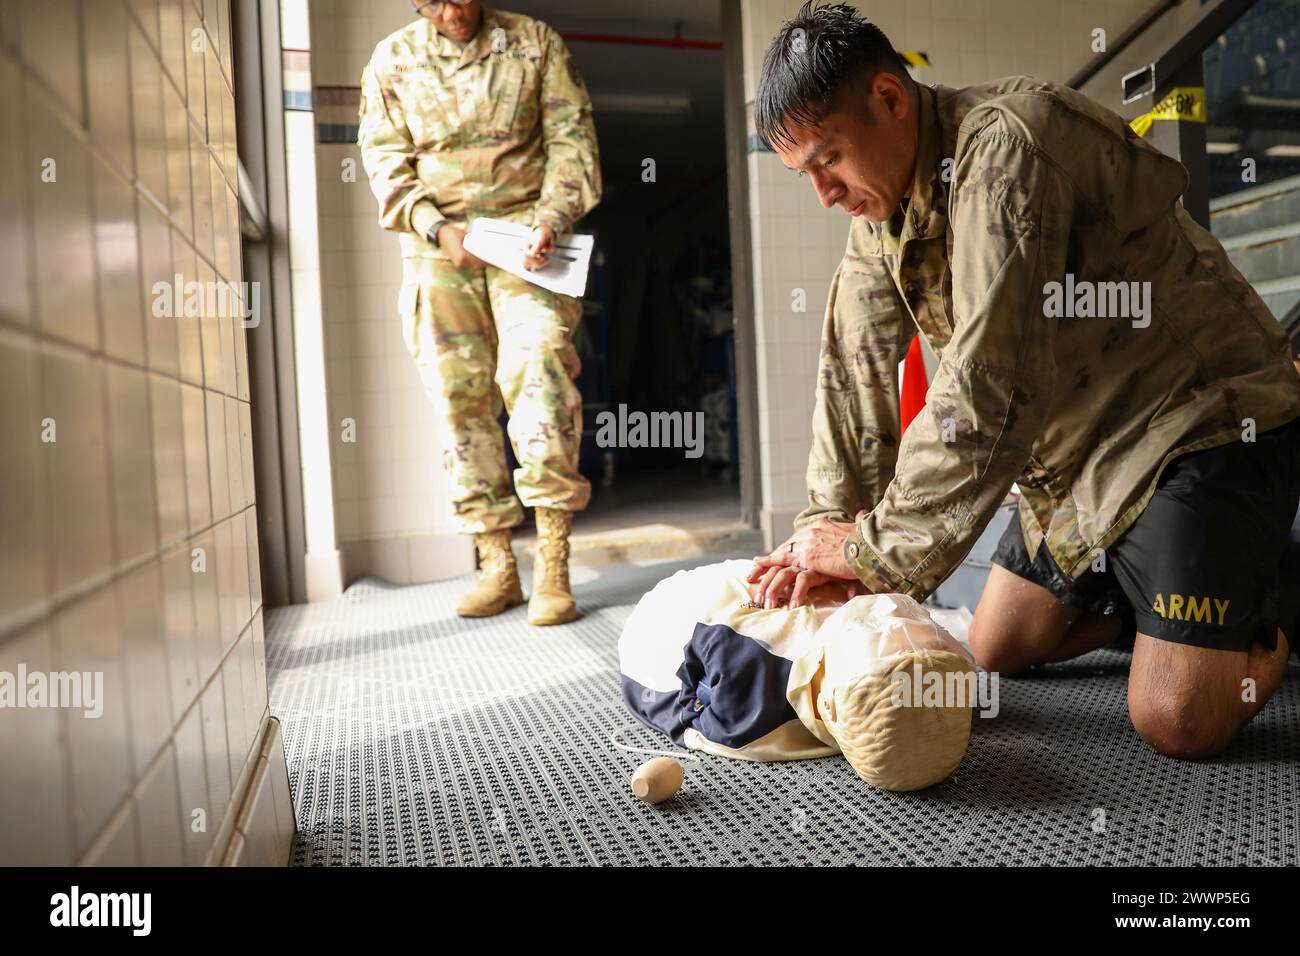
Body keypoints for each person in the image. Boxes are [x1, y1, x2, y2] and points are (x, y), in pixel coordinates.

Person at [747, 2, 1300, 759]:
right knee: (998, 644)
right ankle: (1166, 602)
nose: (825, 193)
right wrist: (821, 532)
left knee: (1177, 718)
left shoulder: (1006, 153)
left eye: (827, 160)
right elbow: (853, 369)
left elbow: (989, 390)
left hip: (1194, 424)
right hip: (1080, 463)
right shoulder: (885, 215)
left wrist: (872, 552)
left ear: (888, 98)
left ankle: (1271, 606)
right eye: (804, 173)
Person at [358, 0, 600, 624]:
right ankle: (498, 565)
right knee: (458, 397)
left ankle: (552, 564)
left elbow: (572, 141)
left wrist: (551, 217)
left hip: (527, 242)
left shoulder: (535, 42)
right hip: (438, 250)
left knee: (541, 374)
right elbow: (384, 158)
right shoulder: (393, 58)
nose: (453, 10)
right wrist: (436, 227)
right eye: (435, 0)